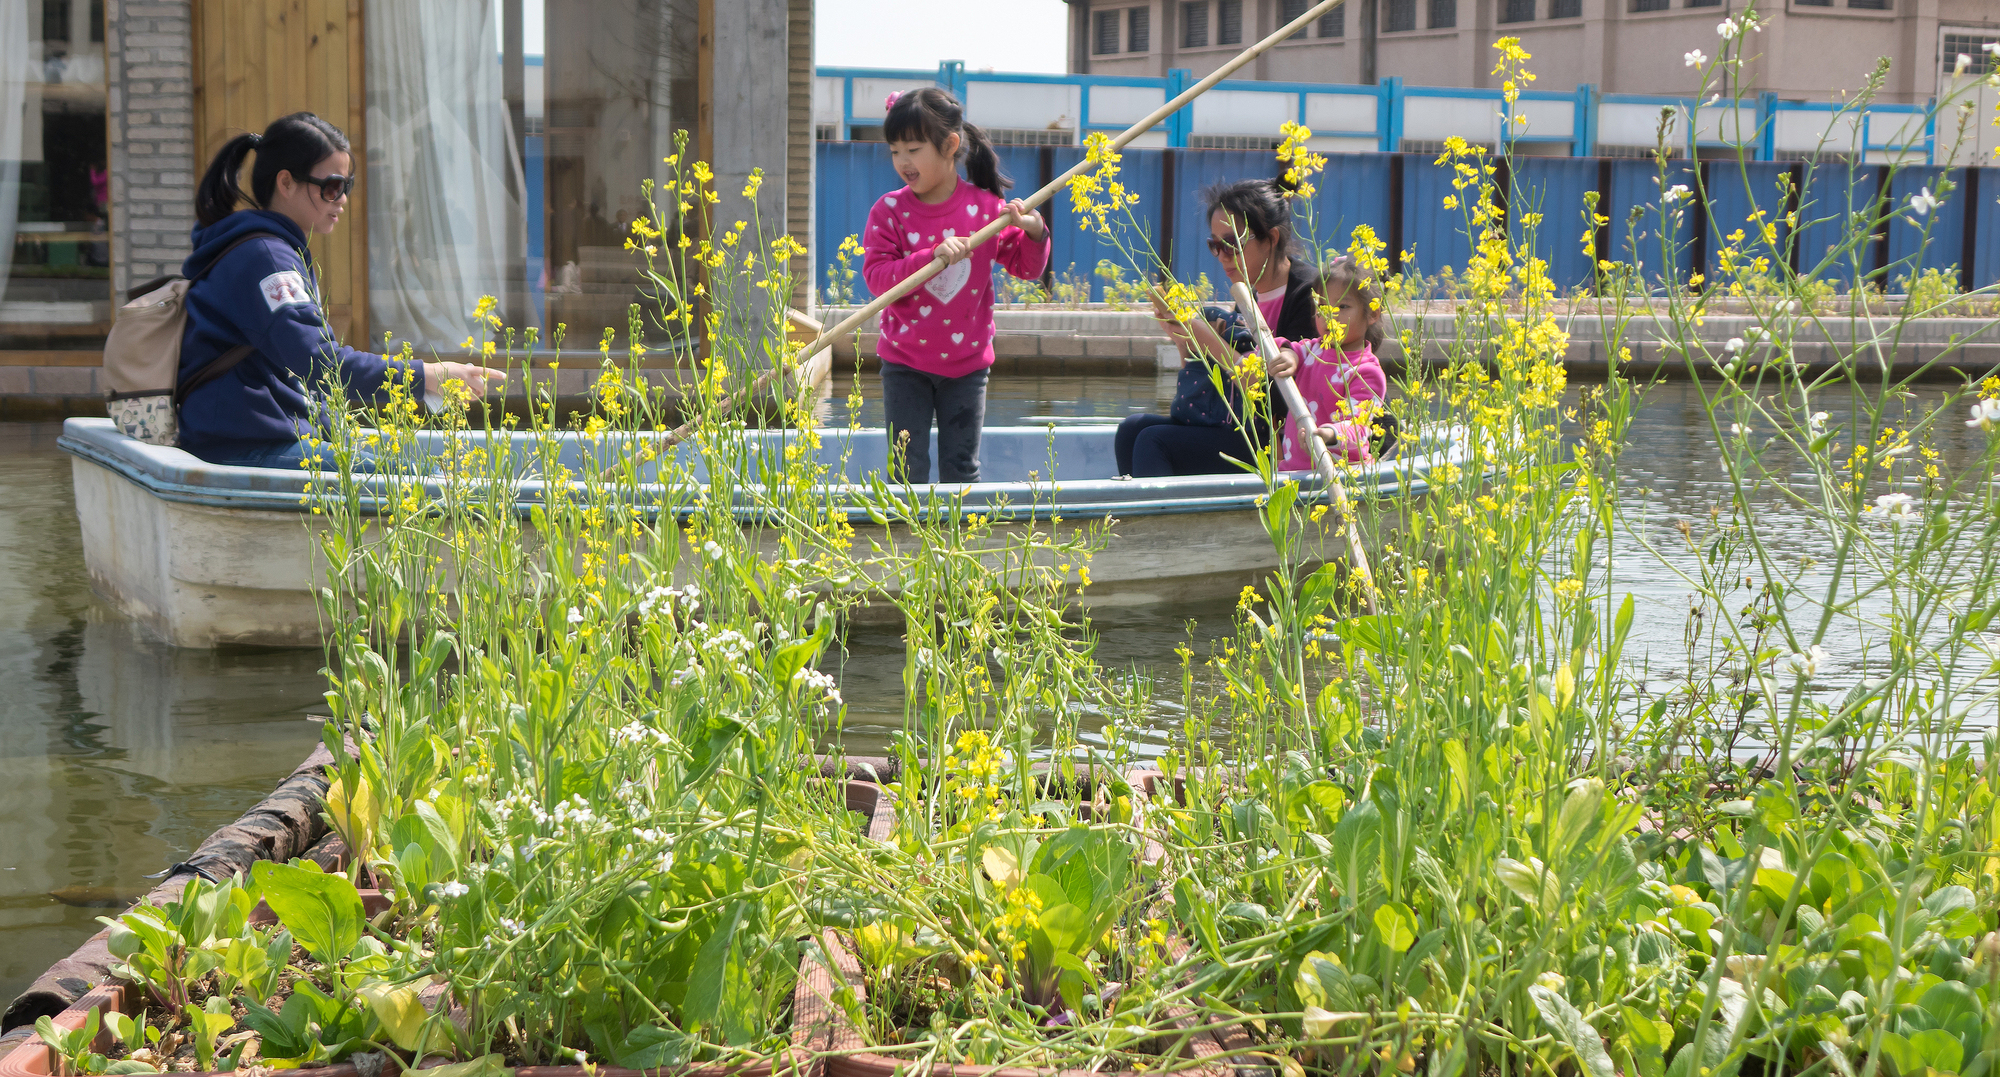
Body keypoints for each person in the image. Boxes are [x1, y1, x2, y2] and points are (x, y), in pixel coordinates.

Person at [177, 112, 503, 470]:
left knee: (404, 474)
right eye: (332, 187)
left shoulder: (266, 250)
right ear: (286, 183)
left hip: (251, 439)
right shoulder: (265, 259)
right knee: (409, 481)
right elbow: (320, 363)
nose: (342, 200)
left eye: (347, 186)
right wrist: (429, 376)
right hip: (242, 448)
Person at [861, 88, 1050, 484]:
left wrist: (1034, 231)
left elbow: (1027, 269)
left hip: (967, 367)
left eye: (913, 149)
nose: (902, 162)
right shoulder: (889, 211)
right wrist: (929, 259)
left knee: (961, 470)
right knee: (905, 471)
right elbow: (878, 279)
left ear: (949, 145)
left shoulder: (985, 210)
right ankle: (907, 543)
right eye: (895, 151)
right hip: (904, 363)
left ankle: (956, 544)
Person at [1117, 179, 1319, 478]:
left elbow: (1277, 397)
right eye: (1215, 244)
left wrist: (1207, 337)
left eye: (1232, 244)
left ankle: (1162, 525)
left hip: (1283, 436)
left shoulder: (1308, 295)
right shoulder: (1248, 293)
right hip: (1244, 423)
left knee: (1153, 441)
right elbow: (1210, 386)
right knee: (1132, 430)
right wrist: (1184, 339)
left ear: (1272, 238)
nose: (1223, 256)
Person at [1267, 256, 1390, 470]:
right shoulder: (1313, 350)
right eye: (1322, 306)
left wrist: (1330, 434)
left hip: (1343, 474)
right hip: (1295, 470)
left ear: (1372, 313)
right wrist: (1289, 355)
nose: (1329, 316)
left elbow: (1359, 425)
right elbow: (1278, 348)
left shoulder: (1366, 371)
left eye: (1342, 306)